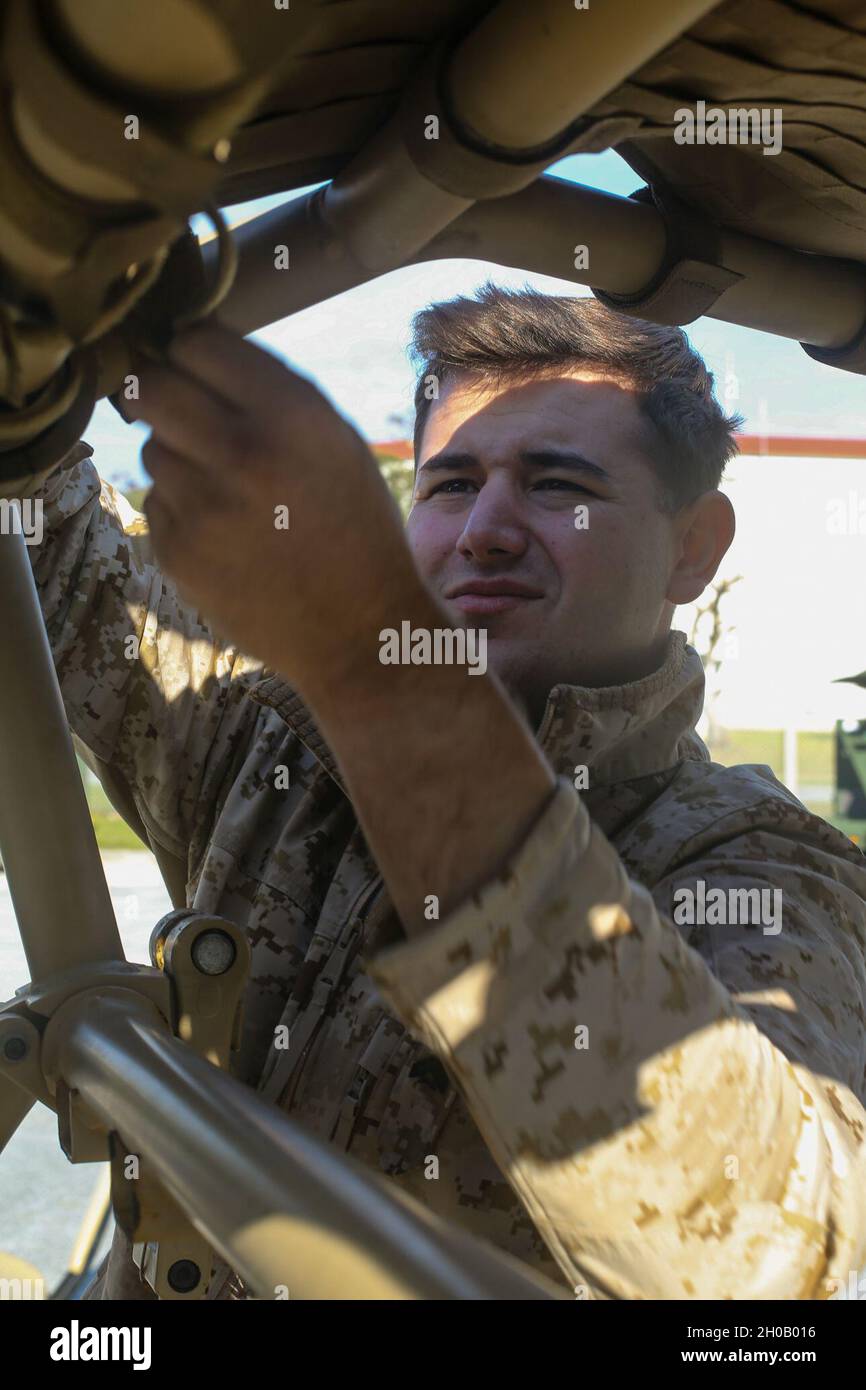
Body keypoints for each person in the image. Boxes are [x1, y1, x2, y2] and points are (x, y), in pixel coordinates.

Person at [10, 285, 866, 1299]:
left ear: (693, 547)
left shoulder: (754, 864)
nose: (485, 531)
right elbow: (46, 545)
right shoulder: (270, 741)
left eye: (557, 485)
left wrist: (371, 658)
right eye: (450, 484)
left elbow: (760, 1254)